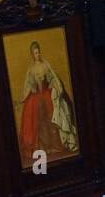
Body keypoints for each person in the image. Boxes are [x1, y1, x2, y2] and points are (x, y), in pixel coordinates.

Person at [17, 39, 78, 167]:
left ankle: (55, 145)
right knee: (37, 118)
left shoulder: (45, 65)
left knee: (52, 114)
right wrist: (24, 97)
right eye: (35, 53)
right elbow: (29, 85)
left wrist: (56, 87)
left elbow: (53, 77)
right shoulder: (31, 69)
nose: (37, 55)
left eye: (38, 52)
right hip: (37, 97)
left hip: (46, 94)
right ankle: (43, 147)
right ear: (32, 55)